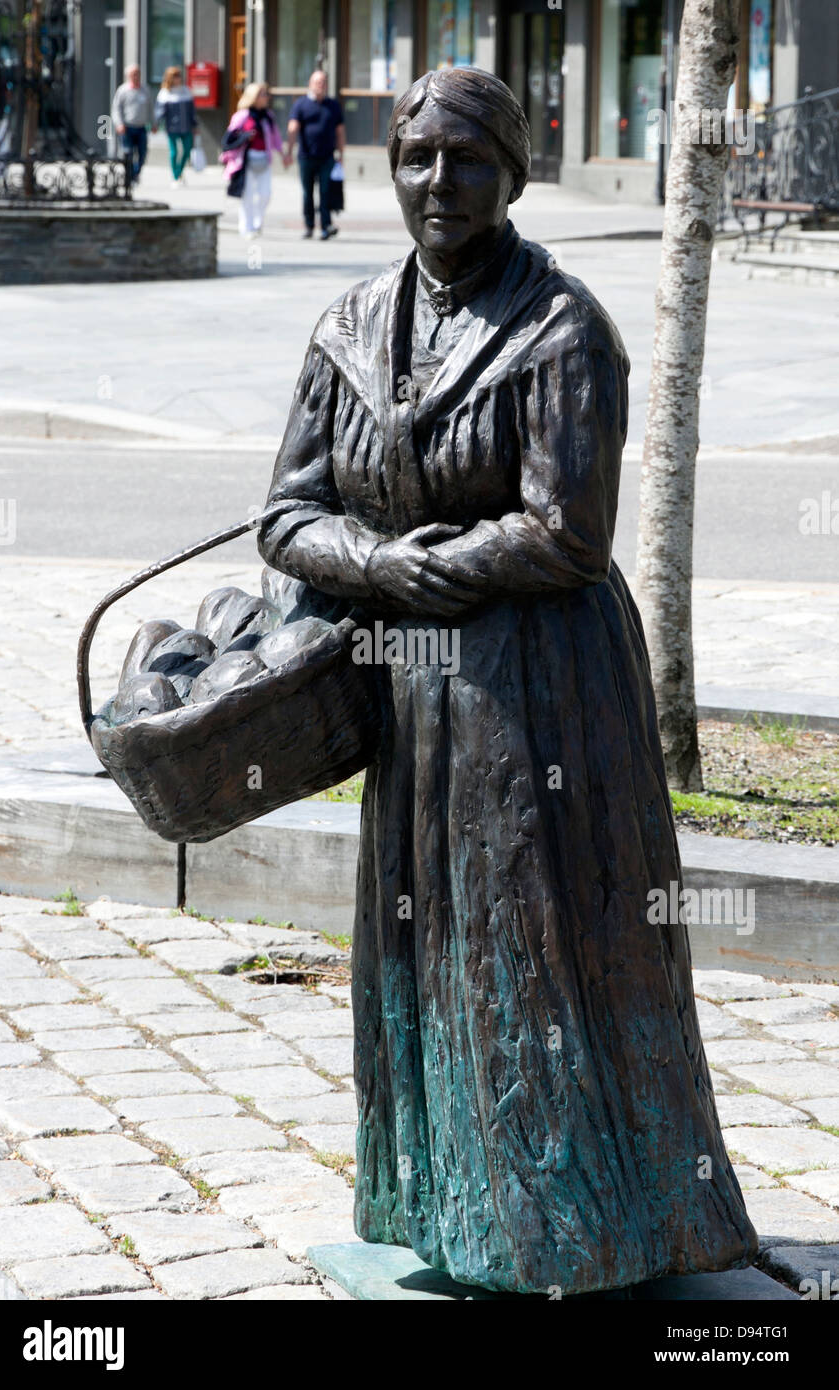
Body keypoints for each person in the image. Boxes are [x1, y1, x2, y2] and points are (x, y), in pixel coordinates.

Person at [258, 67, 758, 1296]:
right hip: (413, 701)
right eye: (420, 156)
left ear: (513, 173)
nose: (440, 182)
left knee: (542, 945)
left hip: (543, 696)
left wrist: (430, 572)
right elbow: (283, 514)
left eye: (468, 159)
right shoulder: (348, 325)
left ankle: (585, 1221)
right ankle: (439, 1202)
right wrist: (372, 560)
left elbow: (568, 530)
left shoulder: (560, 327)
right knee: (423, 946)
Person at [221, 82, 290, 238]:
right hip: (246, 160)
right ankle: (246, 227)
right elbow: (229, 137)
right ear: (254, 97)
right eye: (263, 94)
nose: (266, 97)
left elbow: (276, 138)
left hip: (264, 159)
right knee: (248, 195)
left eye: (266, 94)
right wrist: (246, 136)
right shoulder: (242, 115)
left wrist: (283, 154)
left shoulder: (268, 116)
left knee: (265, 194)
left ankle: (258, 222)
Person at [286, 70, 345, 240]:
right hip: (306, 157)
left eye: (324, 82)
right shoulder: (301, 104)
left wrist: (341, 154)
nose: (321, 85)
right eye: (318, 82)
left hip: (327, 156)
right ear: (310, 84)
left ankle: (326, 226)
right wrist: (289, 151)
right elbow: (293, 128)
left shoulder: (333, 105)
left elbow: (340, 131)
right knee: (307, 193)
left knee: (325, 192)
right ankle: (309, 225)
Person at [111, 64, 154, 184]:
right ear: (128, 76)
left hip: (141, 127)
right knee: (127, 153)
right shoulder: (123, 91)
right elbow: (116, 109)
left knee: (142, 153)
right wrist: (119, 124)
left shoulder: (145, 90)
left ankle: (135, 174)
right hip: (127, 127)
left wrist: (153, 123)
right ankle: (129, 176)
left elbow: (150, 108)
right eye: (133, 74)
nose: (136, 76)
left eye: (138, 74)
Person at [155, 66, 197, 185]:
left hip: (186, 126)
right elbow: (159, 112)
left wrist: (195, 125)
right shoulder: (164, 93)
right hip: (172, 127)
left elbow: (192, 111)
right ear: (170, 78)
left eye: (179, 76)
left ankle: (179, 172)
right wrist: (156, 124)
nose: (178, 79)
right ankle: (175, 176)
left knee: (187, 150)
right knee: (174, 151)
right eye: (175, 76)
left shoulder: (186, 91)